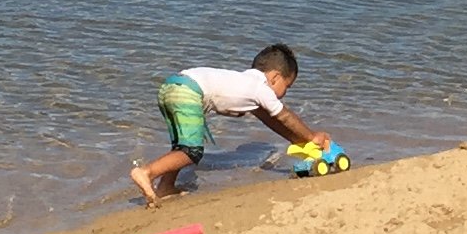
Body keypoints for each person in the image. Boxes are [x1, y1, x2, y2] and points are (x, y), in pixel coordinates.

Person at [132, 44, 327, 204]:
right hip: (189, 92)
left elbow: (272, 121)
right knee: (192, 151)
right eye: (287, 86)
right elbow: (284, 116)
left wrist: (297, 140)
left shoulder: (245, 84)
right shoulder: (260, 88)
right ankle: (146, 172)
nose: (286, 93)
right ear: (275, 77)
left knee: (181, 147)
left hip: (172, 85)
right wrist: (311, 136)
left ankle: (166, 187)